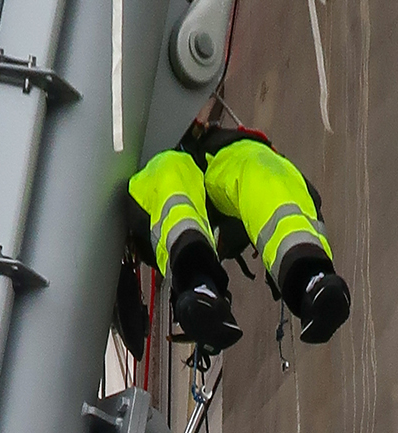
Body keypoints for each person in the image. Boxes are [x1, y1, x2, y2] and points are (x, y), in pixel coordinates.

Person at [122, 106, 351, 357]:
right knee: (168, 177)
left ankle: (312, 279)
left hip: (202, 148)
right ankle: (201, 290)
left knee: (258, 166)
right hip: (153, 170)